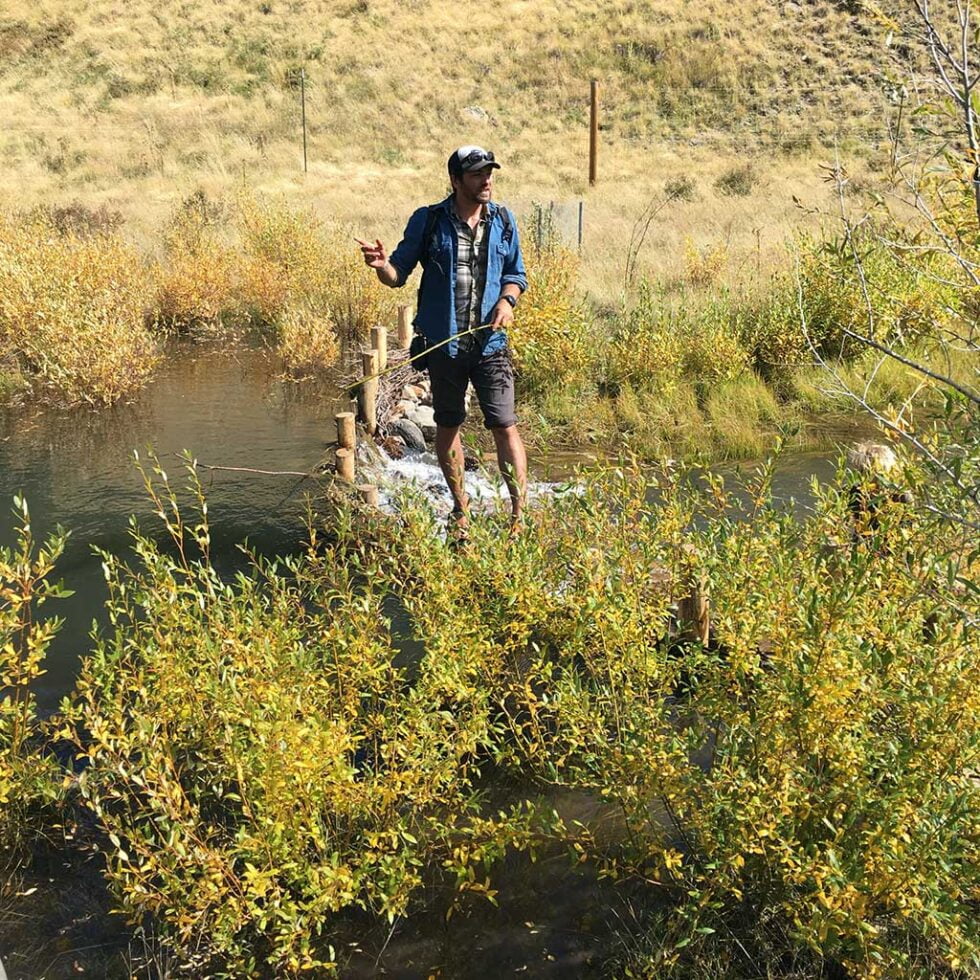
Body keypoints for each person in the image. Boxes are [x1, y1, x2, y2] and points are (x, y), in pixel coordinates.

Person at [358, 145, 529, 539]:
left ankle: (518, 516)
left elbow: (516, 274)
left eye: (489, 173)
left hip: (490, 346)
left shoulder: (503, 220)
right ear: (455, 180)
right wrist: (382, 265)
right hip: (443, 347)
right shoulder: (429, 220)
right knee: (448, 424)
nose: (486, 181)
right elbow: (397, 273)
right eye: (476, 175)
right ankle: (461, 510)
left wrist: (507, 301)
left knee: (505, 425)